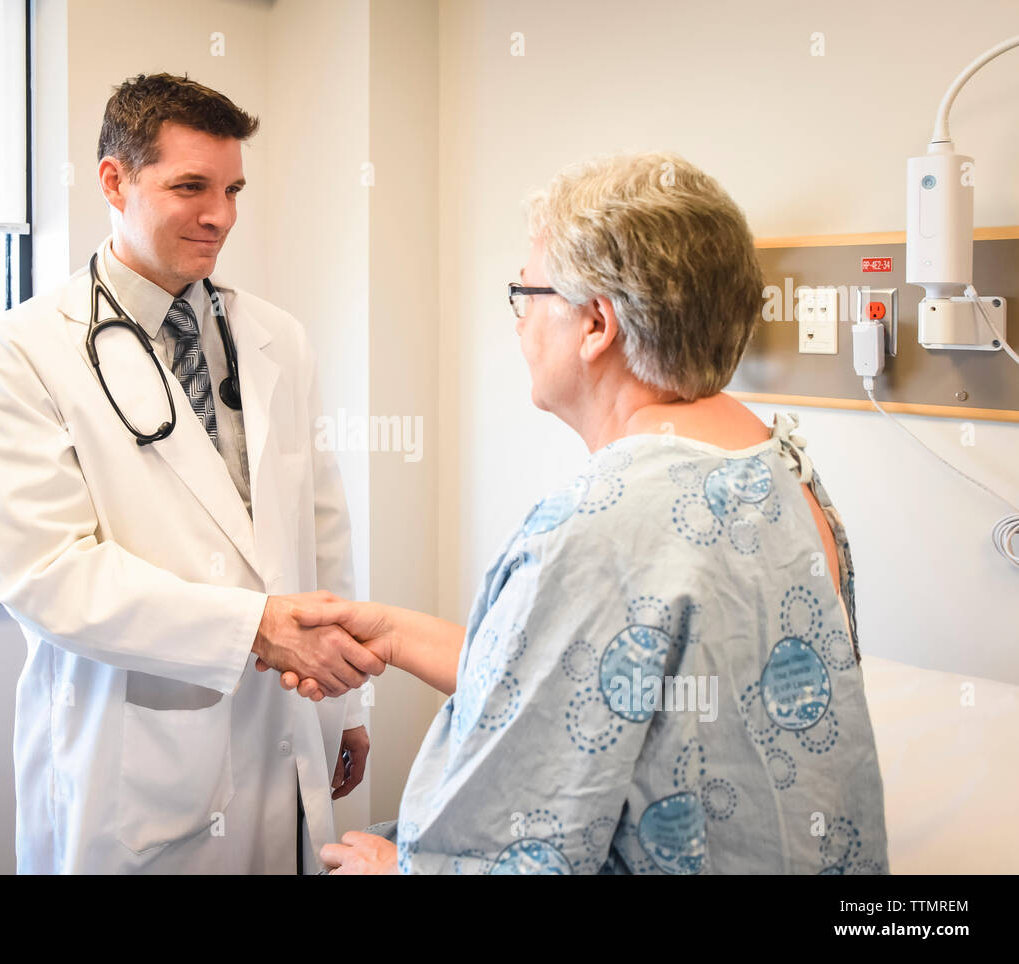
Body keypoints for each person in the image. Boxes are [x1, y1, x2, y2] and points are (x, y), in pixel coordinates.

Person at [273, 151, 890, 875]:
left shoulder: (602, 530)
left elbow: (508, 855)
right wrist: (393, 632)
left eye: (525, 294)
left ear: (596, 323)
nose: (519, 324)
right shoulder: (777, 465)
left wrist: (397, 871)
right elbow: (580, 680)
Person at [0, 72, 381, 874]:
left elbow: (322, 524)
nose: (220, 214)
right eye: (191, 186)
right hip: (137, 753)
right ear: (113, 182)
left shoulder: (276, 336)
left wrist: (348, 700)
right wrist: (253, 627)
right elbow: (44, 573)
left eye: (232, 189)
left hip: (290, 719)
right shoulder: (26, 351)